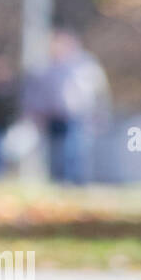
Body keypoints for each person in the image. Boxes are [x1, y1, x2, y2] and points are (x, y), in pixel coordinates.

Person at [26, 29, 110, 184]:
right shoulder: (45, 66)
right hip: (52, 116)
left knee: (74, 151)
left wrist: (99, 114)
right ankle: (58, 181)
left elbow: (98, 92)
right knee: (55, 152)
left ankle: (75, 182)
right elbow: (37, 93)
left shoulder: (84, 65)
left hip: (76, 115)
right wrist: (36, 114)